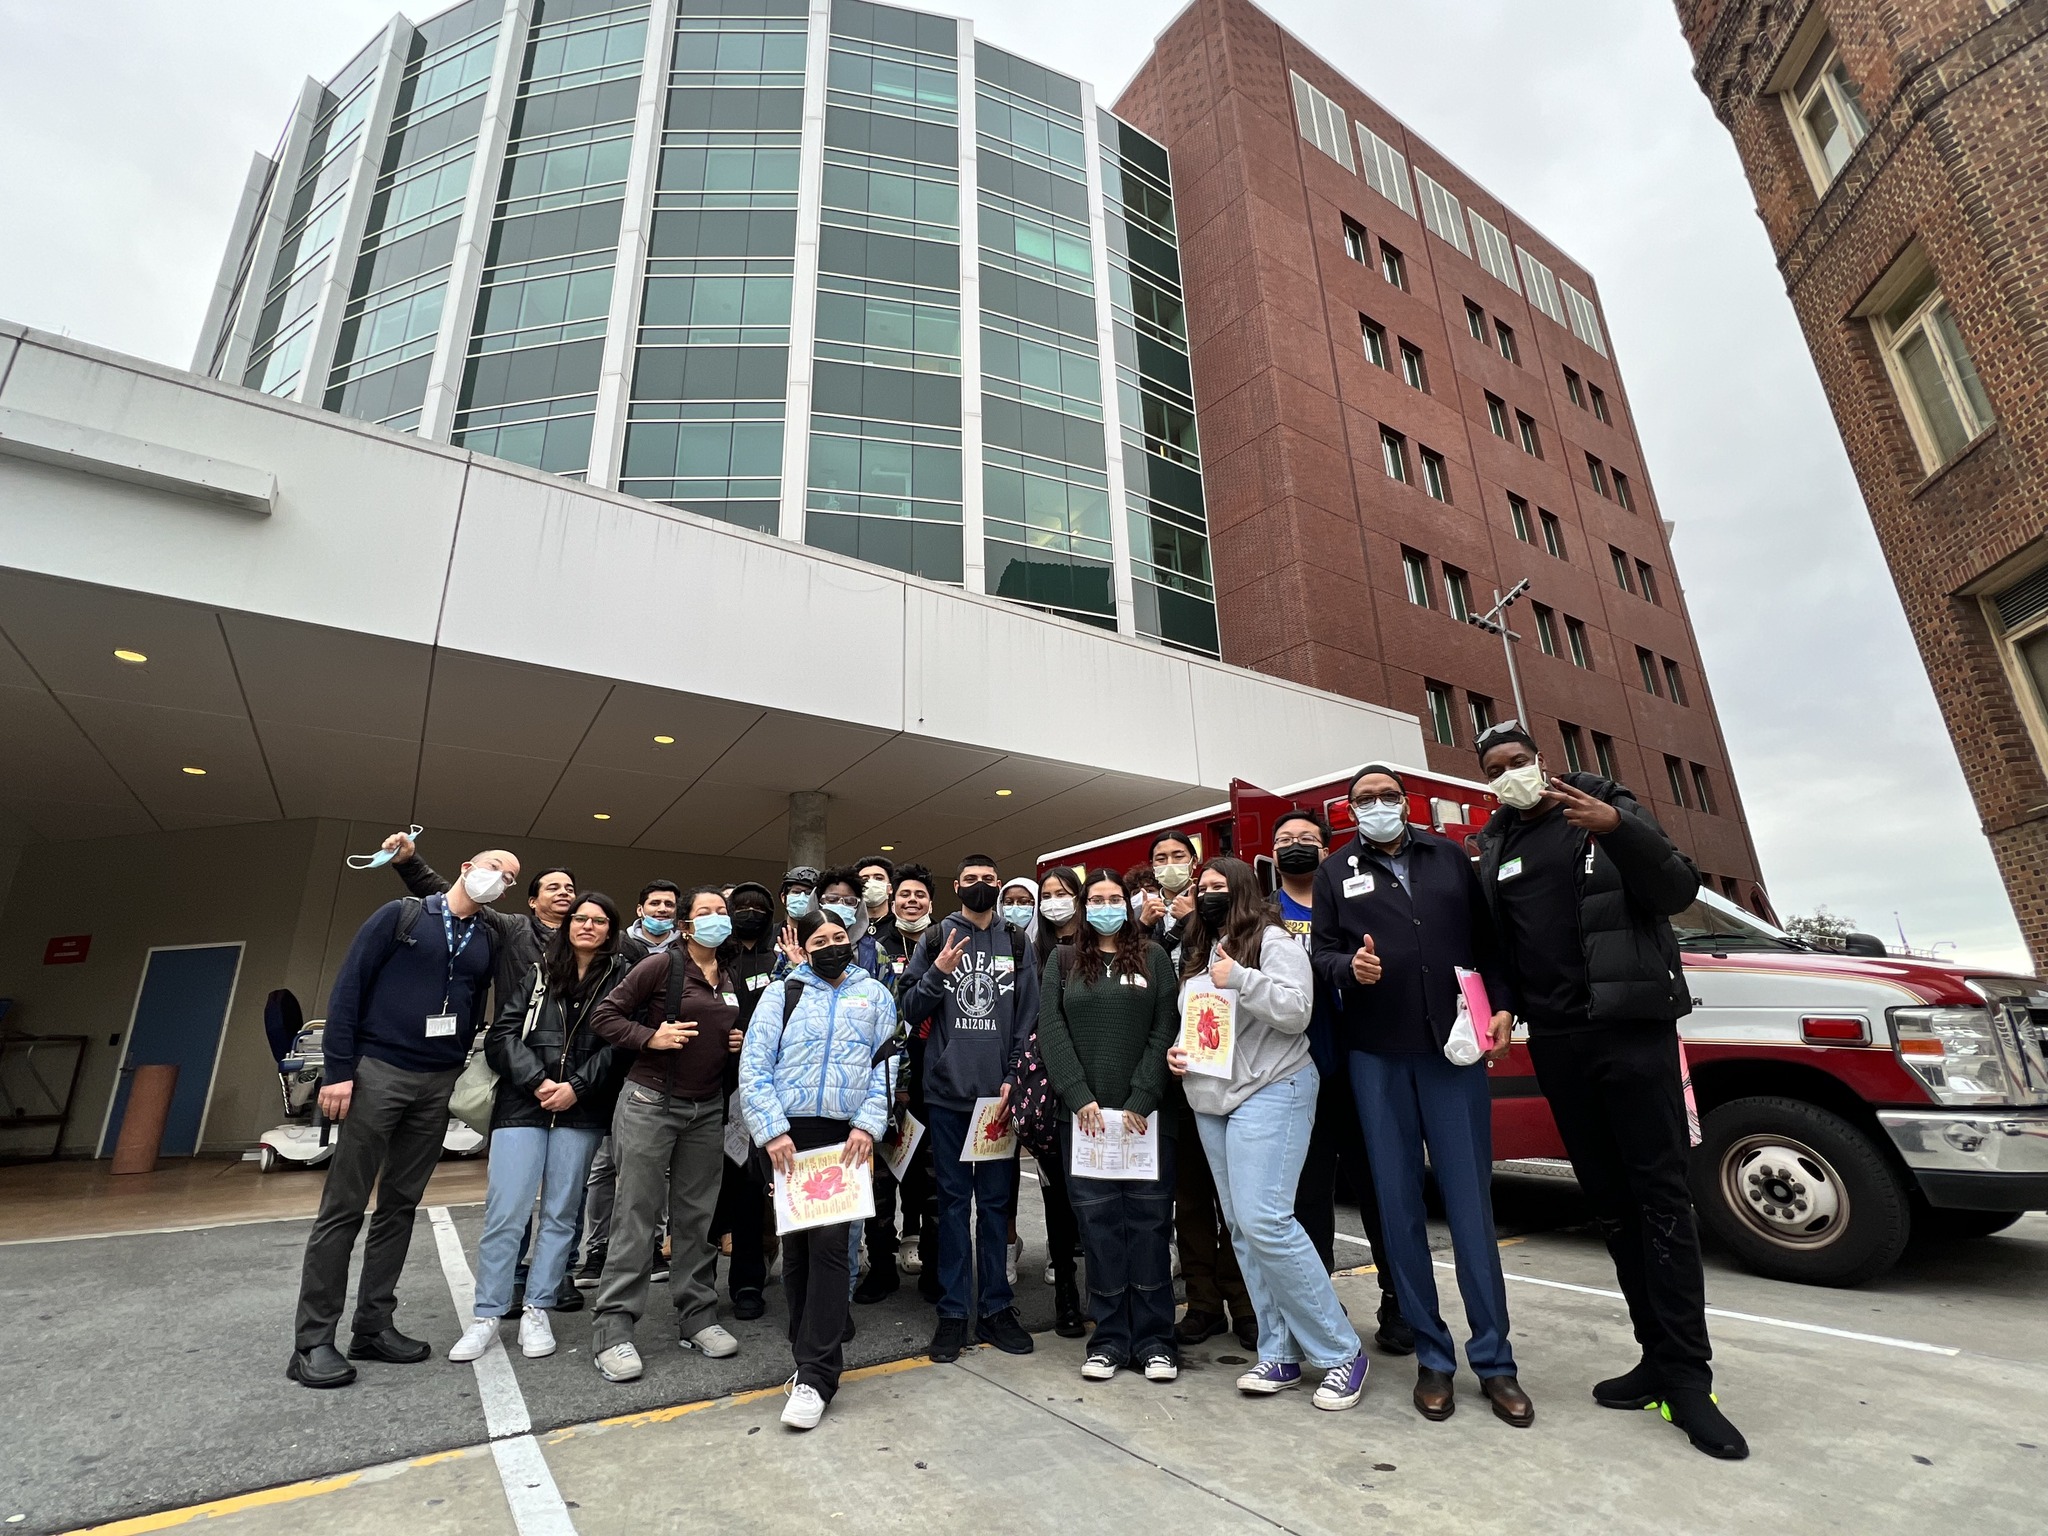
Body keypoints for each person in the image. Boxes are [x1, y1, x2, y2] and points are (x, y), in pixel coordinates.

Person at [1471, 721, 1745, 1459]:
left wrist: (1620, 829)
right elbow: (1498, 951)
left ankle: (1689, 1378)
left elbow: (1677, 887)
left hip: (1631, 1032)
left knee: (1659, 1197)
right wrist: (1498, 1005)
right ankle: (1654, 1357)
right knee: (1610, 1204)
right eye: (1496, 767)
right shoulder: (1494, 846)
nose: (1510, 775)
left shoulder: (1601, 805)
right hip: (1556, 1044)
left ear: (1542, 761)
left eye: (1519, 761)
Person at [1310, 769, 1531, 1427]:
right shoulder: (1334, 871)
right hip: (1376, 1056)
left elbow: (1491, 947)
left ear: (1403, 803)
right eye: (1364, 799)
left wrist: (1504, 1009)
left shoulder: (1447, 858)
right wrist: (1352, 968)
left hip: (1453, 1053)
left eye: (1386, 795)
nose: (1376, 806)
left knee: (1470, 1211)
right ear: (1349, 812)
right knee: (1399, 1207)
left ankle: (1495, 1364)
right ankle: (1433, 1357)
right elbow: (1320, 954)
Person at [287, 849, 517, 1388]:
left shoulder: (487, 937)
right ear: (465, 867)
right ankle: (313, 1341)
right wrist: (338, 1070)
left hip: (437, 1080)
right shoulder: (401, 916)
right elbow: (348, 990)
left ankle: (372, 1325)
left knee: (400, 1205)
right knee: (343, 1206)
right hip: (377, 1072)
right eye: (495, 869)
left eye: (509, 879)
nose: (501, 881)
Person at [1170, 856, 1370, 1411]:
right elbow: (1202, 1021)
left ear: (1240, 891)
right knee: (1241, 1227)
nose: (1207, 895)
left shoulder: (1273, 941)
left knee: (1266, 1220)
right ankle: (1277, 1349)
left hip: (1272, 1087)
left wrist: (1241, 978)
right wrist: (1179, 1053)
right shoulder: (1195, 950)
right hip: (1211, 1098)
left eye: (1217, 887)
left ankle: (1339, 1351)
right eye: (1200, 887)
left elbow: (1297, 1011)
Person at [452, 892, 631, 1365]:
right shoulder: (536, 974)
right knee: (505, 1212)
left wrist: (575, 1086)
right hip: (522, 1106)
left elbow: (619, 1046)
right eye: (580, 919)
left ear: (611, 931)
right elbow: (501, 1037)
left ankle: (537, 1308)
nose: (588, 926)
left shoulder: (621, 981)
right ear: (567, 925)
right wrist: (537, 1080)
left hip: (580, 1108)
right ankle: (487, 1315)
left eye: (598, 921)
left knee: (560, 1214)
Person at [739, 909, 896, 1430]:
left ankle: (816, 1374)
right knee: (799, 1246)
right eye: (820, 939)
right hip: (787, 1135)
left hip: (845, 1135)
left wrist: (869, 1124)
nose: (832, 945)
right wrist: (771, 1130)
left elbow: (887, 1064)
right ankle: (806, 1337)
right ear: (803, 947)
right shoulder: (781, 994)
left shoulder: (874, 994)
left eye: (838, 937)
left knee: (831, 1244)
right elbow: (755, 1066)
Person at [585, 886, 745, 1383]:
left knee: (697, 1216)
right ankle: (613, 1327)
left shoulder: (728, 974)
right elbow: (605, 1016)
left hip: (706, 1108)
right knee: (636, 1211)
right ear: (687, 923)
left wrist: (732, 1039)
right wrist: (649, 1037)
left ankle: (697, 1315)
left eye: (723, 911)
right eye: (705, 912)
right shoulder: (661, 965)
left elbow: (717, 1026)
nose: (717, 918)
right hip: (651, 1103)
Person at [1273, 809, 1413, 1354]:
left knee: (1381, 1189)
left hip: (1362, 1067)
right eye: (1285, 840)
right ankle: (1319, 1314)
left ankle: (1400, 1301)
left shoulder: (1353, 897)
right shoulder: (1263, 912)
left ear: (1330, 848)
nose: (1296, 846)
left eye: (1308, 838)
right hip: (1294, 1072)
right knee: (1306, 1201)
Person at [1036, 867, 1179, 1382]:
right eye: (1095, 898)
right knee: (1098, 1229)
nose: (1105, 906)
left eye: (1114, 897)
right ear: (1083, 905)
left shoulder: (1156, 958)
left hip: (1145, 1121)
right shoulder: (1063, 960)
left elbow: (1167, 1026)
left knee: (1149, 1227)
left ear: (1129, 902)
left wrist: (1143, 1095)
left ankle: (1157, 1341)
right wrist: (1078, 1097)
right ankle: (1111, 1339)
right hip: (1086, 1122)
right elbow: (1051, 1028)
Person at [899, 853, 1041, 1363]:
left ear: (997, 885)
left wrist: (1013, 1079)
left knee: (998, 1205)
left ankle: (997, 1309)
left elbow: (1029, 1019)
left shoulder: (1017, 941)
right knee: (953, 1208)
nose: (979, 886)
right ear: (955, 885)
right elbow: (910, 1007)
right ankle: (954, 1313)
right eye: (970, 880)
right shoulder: (934, 938)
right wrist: (937, 972)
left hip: (997, 1101)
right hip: (947, 1097)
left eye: (988, 880)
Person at [380, 832, 568, 1015]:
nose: (564, 893)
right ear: (532, 901)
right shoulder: (515, 928)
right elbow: (454, 898)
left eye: (570, 889)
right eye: (553, 888)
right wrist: (409, 863)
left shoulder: (590, 935)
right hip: (518, 1035)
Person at [710, 880, 784, 1320]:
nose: (750, 912)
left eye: (760, 906)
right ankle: (739, 1283)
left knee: (766, 1187)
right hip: (719, 1087)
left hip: (774, 1086)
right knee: (731, 1188)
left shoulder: (780, 956)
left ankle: (761, 1277)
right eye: (742, 906)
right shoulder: (715, 956)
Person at [1028, 865, 1087, 1338]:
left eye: (1063, 893)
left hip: (1097, 1085)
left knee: (1097, 1192)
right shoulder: (1034, 951)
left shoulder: (1100, 945)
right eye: (1046, 894)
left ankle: (1105, 1289)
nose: (1054, 901)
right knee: (1056, 1193)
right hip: (1049, 1091)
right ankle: (1065, 1291)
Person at [879, 864, 941, 1297]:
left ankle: (923, 1244)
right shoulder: (878, 944)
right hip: (890, 1075)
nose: (911, 901)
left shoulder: (944, 941)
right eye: (904, 895)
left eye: (920, 894)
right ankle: (881, 1259)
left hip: (935, 1070)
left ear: (931, 903)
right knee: (886, 1167)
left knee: (930, 1169)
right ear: (893, 899)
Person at [621, 880, 682, 963]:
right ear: (639, 910)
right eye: (654, 903)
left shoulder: (687, 948)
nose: (662, 909)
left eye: (669, 904)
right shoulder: (620, 946)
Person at [857, 855, 898, 948]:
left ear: (890, 888)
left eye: (879, 878)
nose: (871, 883)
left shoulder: (900, 926)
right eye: (865, 879)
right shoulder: (850, 925)